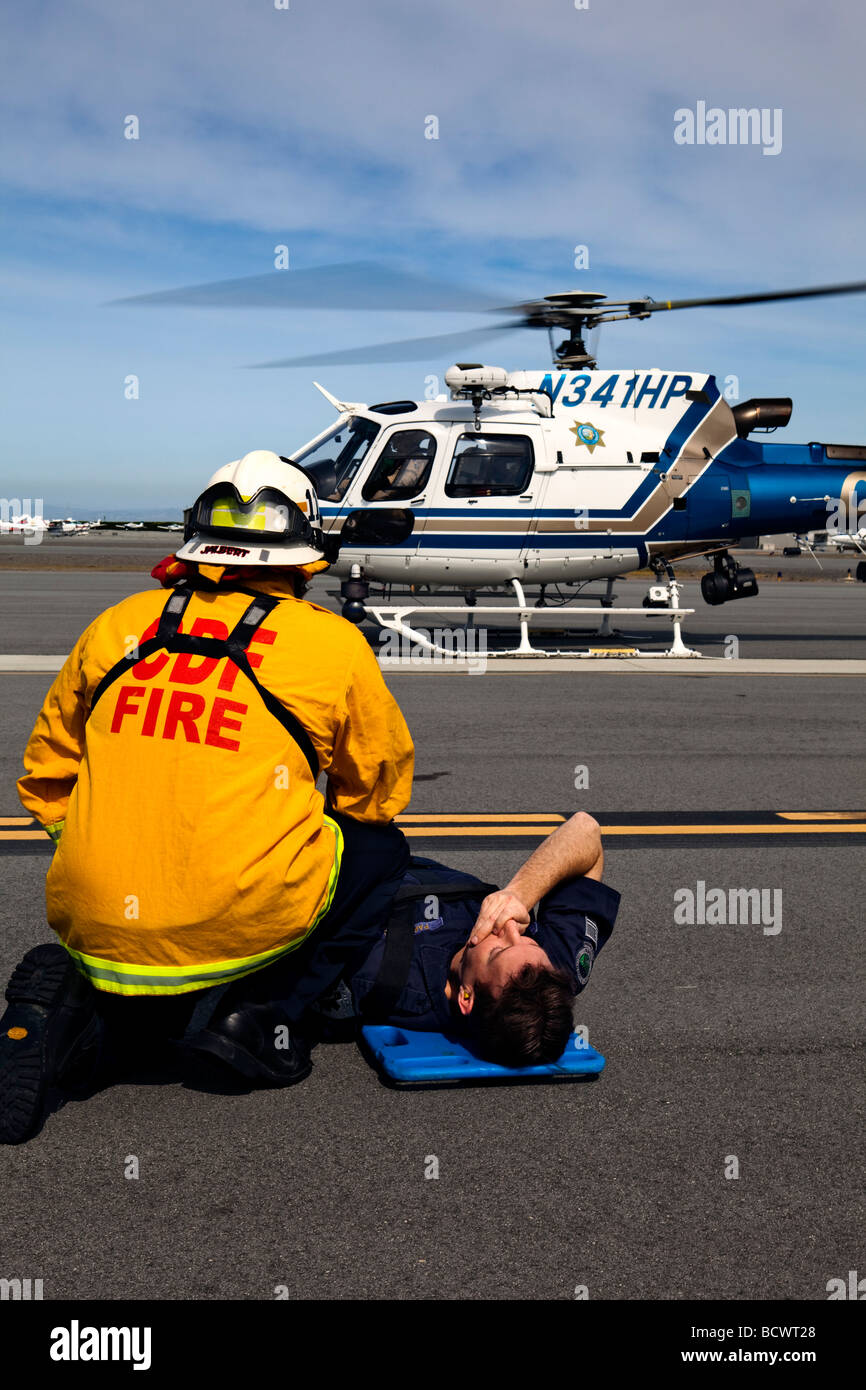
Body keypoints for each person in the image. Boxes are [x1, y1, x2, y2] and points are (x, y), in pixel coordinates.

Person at [0, 450, 414, 1143]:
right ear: (304, 555)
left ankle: (83, 1015)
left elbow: (44, 778)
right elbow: (376, 794)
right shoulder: (331, 645)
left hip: (93, 917)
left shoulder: (116, 625)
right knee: (379, 850)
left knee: (147, 961)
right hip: (236, 924)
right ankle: (263, 1013)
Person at [280, 811, 619, 1069]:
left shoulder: (381, 974)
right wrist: (518, 894)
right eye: (530, 941)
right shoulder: (550, 973)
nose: (510, 927)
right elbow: (586, 830)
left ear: (466, 997)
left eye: (497, 950)